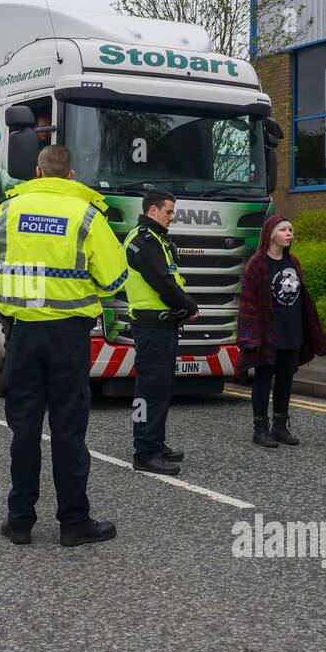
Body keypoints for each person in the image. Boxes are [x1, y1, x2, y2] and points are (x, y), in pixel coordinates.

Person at [0, 144, 129, 547]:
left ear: (36, 170)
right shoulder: (86, 214)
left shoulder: (7, 212)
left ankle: (20, 523)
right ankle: (73, 523)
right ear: (69, 176)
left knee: (24, 430)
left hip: (24, 333)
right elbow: (115, 279)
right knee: (68, 431)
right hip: (69, 338)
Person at [123, 188, 199, 474]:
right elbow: (163, 281)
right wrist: (190, 305)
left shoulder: (157, 239)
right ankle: (145, 451)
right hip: (150, 326)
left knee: (160, 388)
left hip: (163, 325)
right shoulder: (142, 241)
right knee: (149, 390)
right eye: (168, 212)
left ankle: (155, 442)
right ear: (152, 210)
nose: (172, 217)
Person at [237, 215, 326, 448]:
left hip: (292, 330)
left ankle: (280, 427)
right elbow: (248, 302)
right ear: (270, 235)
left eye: (290, 230)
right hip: (268, 332)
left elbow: (301, 298)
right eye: (283, 230)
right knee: (263, 380)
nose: (289, 234)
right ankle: (260, 429)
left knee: (286, 379)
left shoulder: (293, 262)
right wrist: (251, 336)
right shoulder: (257, 264)